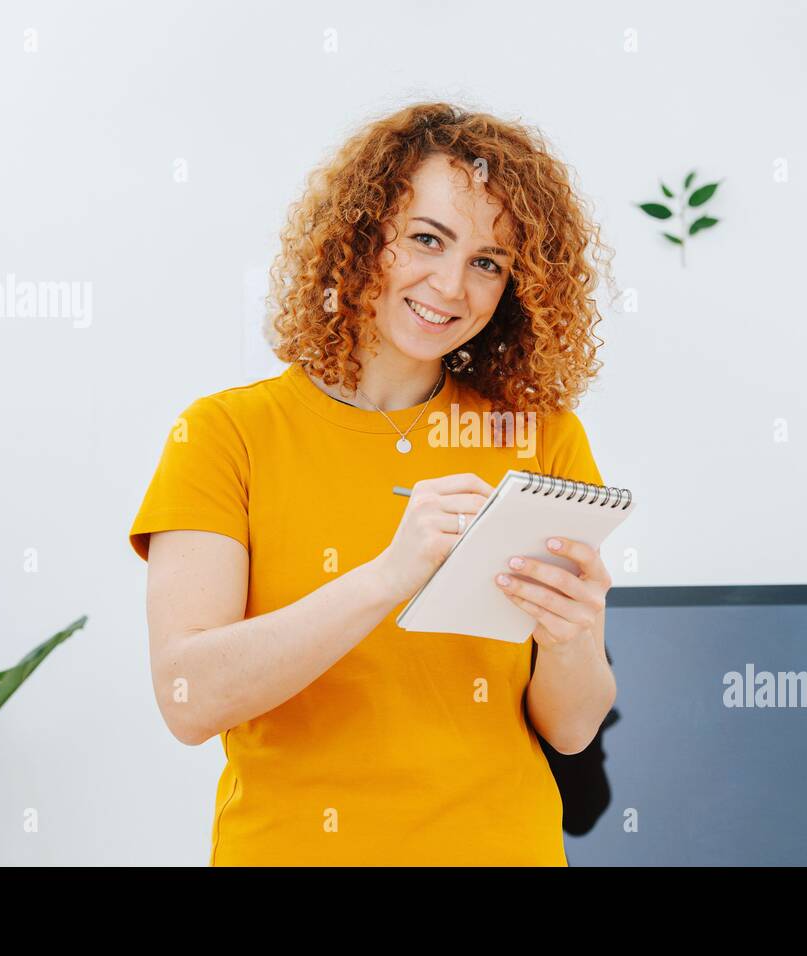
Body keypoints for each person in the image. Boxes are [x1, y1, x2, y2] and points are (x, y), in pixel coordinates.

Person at [128, 101, 619, 865]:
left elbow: (573, 726)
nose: (451, 286)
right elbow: (188, 700)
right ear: (363, 237)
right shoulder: (225, 434)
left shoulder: (541, 439)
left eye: (488, 262)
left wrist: (568, 637)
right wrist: (389, 576)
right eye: (427, 239)